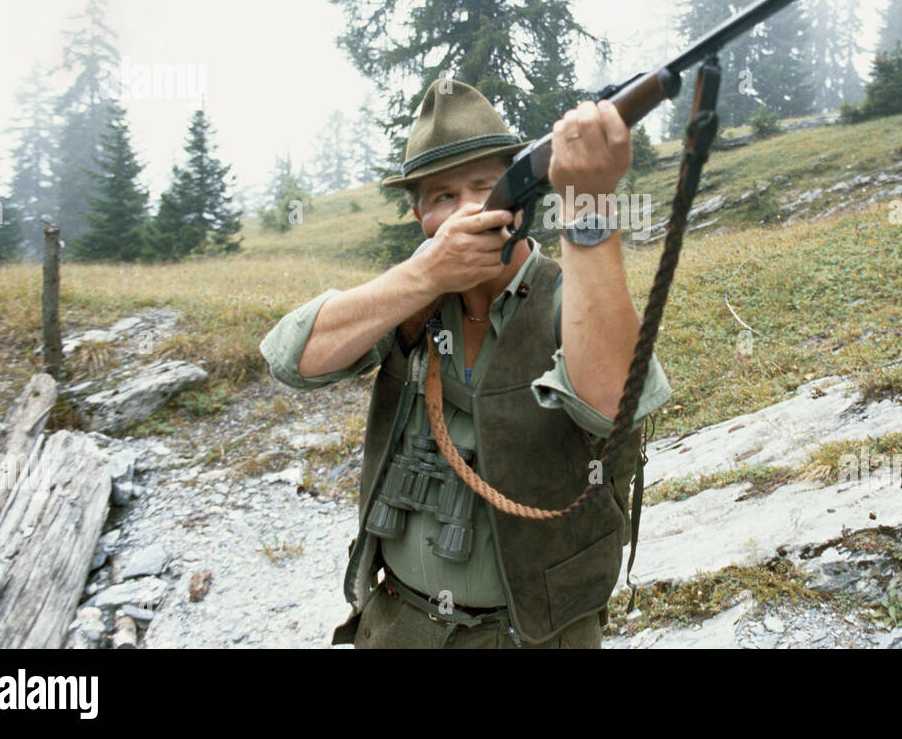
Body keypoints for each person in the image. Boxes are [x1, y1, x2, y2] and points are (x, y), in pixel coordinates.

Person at [259, 77, 670, 648]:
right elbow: (290, 358)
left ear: (523, 195)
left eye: (486, 186)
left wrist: (590, 205)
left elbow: (610, 406)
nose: (468, 211)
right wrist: (425, 275)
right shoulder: (410, 299)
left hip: (537, 637)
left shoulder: (572, 298)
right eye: (442, 197)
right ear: (418, 213)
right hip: (398, 623)